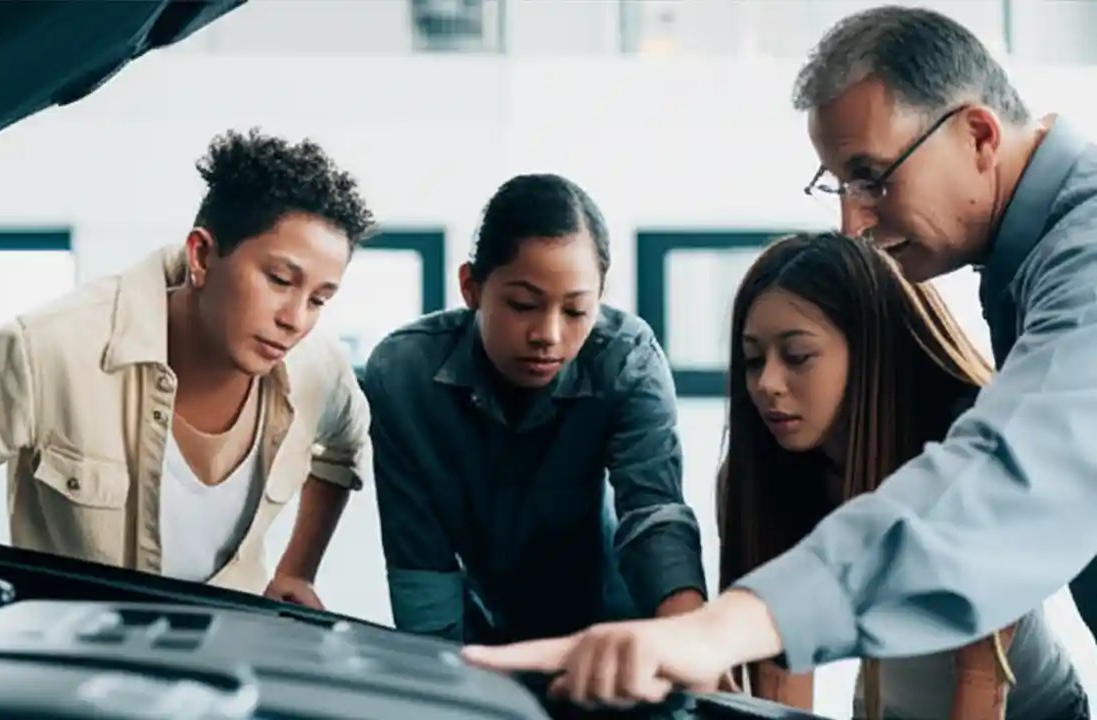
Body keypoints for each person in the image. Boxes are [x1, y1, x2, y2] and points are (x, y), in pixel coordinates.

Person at [462, 5, 1097, 711]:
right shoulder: (1032, 264)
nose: (852, 221)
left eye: (871, 176)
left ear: (978, 135)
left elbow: (1016, 473)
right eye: (840, 185)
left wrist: (719, 630)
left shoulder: (1086, 252)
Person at [0, 128, 376, 609]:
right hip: (80, 663)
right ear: (201, 255)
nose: (295, 319)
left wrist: (297, 570)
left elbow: (344, 448)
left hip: (233, 655)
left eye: (320, 299)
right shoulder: (49, 349)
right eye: (280, 280)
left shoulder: (317, 367)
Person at [718, 232, 1086, 719]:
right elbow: (779, 673)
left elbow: (981, 679)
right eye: (752, 360)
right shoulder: (757, 476)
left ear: (870, 350)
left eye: (797, 356)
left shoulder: (968, 463)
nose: (767, 383)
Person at [361, 174, 711, 664]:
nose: (548, 334)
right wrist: (438, 679)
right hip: (480, 637)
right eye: (523, 305)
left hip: (615, 634)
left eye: (576, 310)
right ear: (471, 287)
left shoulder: (626, 359)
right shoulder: (404, 373)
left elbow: (652, 512)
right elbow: (420, 559)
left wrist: (692, 637)